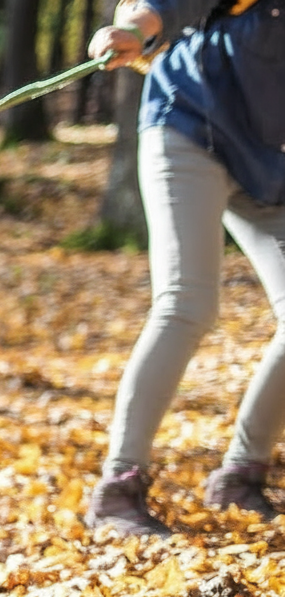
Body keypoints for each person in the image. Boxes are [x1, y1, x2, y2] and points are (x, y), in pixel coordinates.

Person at [85, 0, 285, 536]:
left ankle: (242, 475)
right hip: (190, 126)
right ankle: (117, 488)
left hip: (268, 165)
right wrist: (135, 29)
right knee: (187, 303)